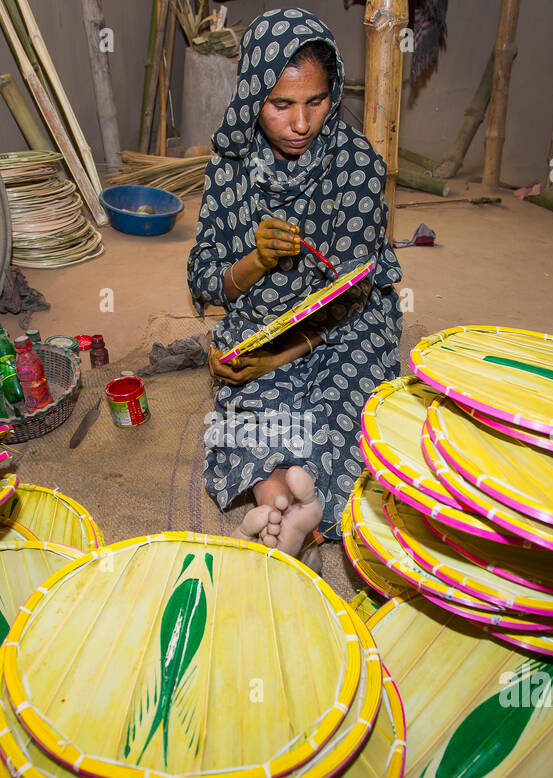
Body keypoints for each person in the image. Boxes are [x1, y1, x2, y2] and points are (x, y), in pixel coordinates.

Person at [187, 7, 404, 569]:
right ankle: (285, 504)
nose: (302, 123)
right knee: (249, 400)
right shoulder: (230, 164)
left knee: (348, 398)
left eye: (317, 100)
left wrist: (283, 354)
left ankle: (293, 512)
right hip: (261, 318)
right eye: (281, 105)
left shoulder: (356, 165)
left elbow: (354, 292)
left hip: (346, 321)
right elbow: (206, 278)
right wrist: (257, 261)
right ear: (254, 96)